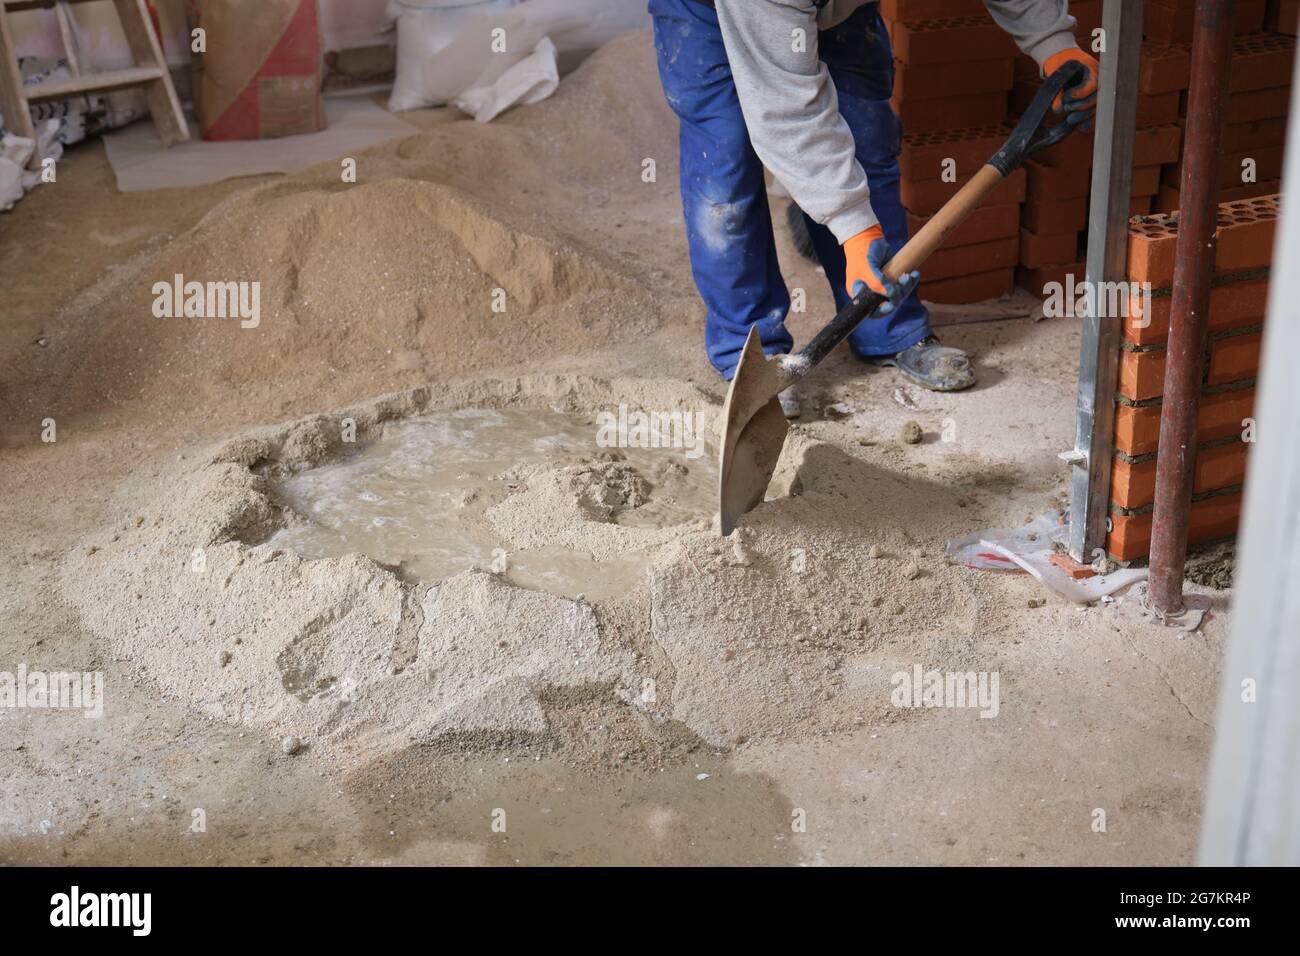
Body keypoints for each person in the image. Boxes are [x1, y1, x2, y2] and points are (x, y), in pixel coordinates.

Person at [650, 0, 1100, 416]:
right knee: (725, 165)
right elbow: (785, 109)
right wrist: (852, 224)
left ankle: (889, 327)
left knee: (865, 131)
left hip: (835, 9)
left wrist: (1052, 42)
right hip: (707, 11)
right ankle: (751, 353)